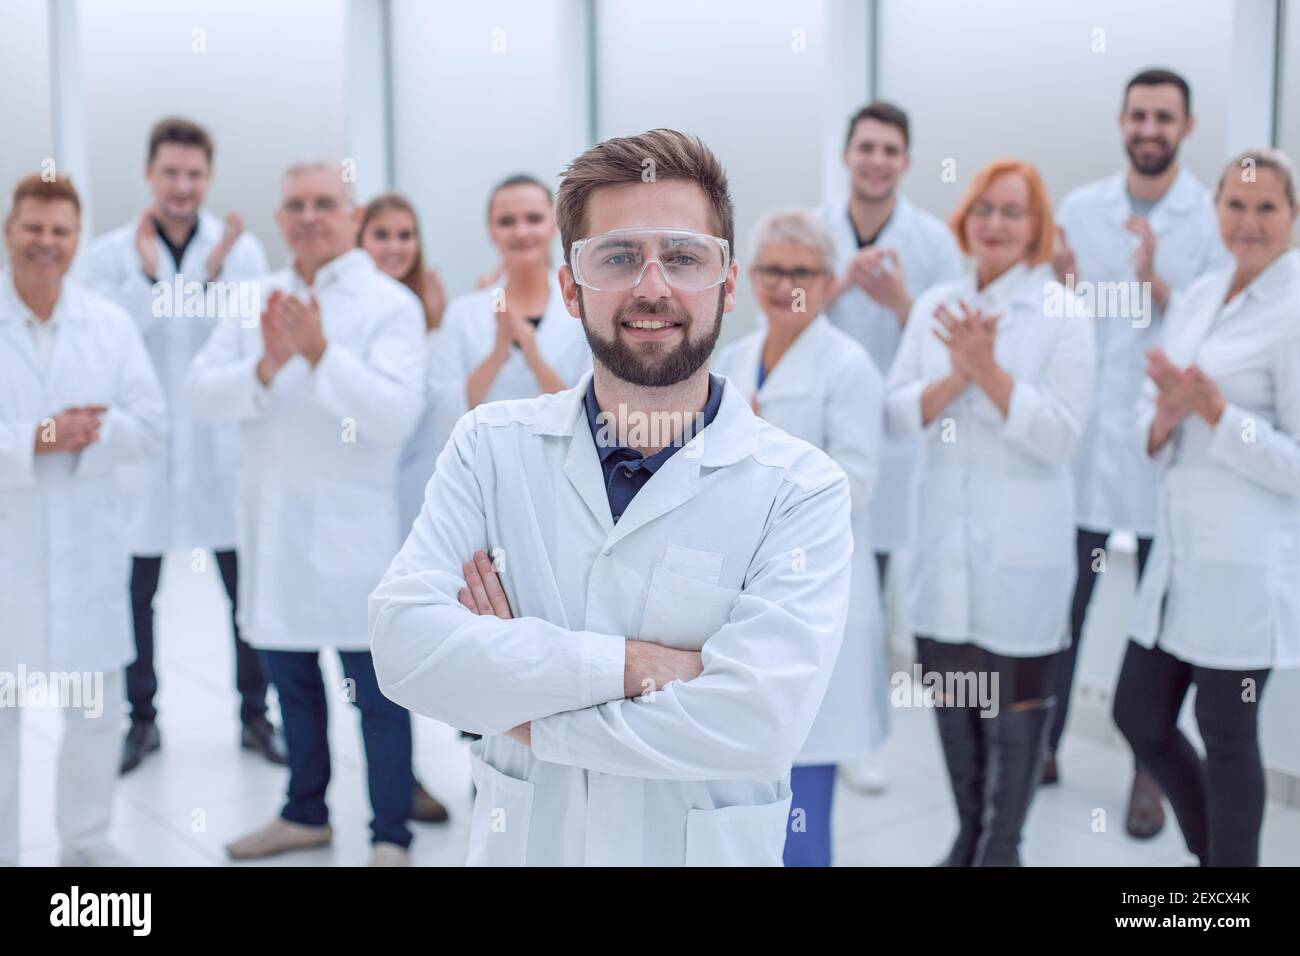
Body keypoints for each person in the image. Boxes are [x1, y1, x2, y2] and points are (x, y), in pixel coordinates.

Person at [369, 129, 853, 867]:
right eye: (619, 257)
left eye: (685, 257)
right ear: (571, 287)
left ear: (727, 284)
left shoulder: (801, 489)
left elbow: (758, 722)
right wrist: (639, 666)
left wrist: (522, 706)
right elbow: (404, 647)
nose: (652, 287)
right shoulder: (488, 447)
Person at [186, 161, 426, 866]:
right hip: (273, 531)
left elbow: (392, 416)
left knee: (376, 696)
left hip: (355, 539)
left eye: (325, 202)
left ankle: (390, 836)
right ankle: (305, 812)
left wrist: (320, 356)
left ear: (352, 216)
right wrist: (265, 366)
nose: (310, 215)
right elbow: (201, 396)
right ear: (280, 218)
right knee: (290, 680)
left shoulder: (390, 305)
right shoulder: (251, 300)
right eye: (296, 205)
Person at [886, 160, 1095, 866]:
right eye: (985, 210)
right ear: (965, 220)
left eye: (1014, 211)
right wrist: (958, 373)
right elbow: (893, 415)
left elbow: (1062, 437)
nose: (997, 224)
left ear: (1036, 227)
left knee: (1015, 707)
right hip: (942, 547)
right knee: (953, 701)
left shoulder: (1064, 313)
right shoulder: (934, 305)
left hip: (1023, 555)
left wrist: (991, 371)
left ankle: (1003, 844)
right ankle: (968, 832)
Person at [1050, 69, 1231, 837]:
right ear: (1122, 122)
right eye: (1139, 115)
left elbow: (1214, 330)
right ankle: (1045, 748)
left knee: (1156, 618)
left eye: (1165, 117)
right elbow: (1063, 318)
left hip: (1164, 444)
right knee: (1066, 605)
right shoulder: (1080, 210)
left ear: (1186, 126)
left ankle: (1147, 776)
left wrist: (1155, 280)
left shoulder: (1212, 221)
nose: (1150, 128)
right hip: (1087, 440)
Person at [1114, 148, 1300, 867]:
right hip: (1179, 552)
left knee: (1227, 736)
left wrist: (1219, 412)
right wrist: (1164, 418)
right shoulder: (1198, 294)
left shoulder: (1292, 310)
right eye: (1236, 204)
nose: (1248, 221)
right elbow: (1147, 413)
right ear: (1217, 208)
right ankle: (1217, 865)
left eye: (1266, 207)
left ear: (1291, 215)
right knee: (1139, 714)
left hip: (1247, 565)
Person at [80, 117, 282, 775]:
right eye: (170, 172)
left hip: (221, 452)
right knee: (135, 594)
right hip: (144, 455)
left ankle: (255, 715)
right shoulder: (113, 256)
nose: (182, 185)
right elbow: (108, 342)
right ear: (149, 174)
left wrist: (207, 277)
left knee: (242, 591)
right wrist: (153, 282)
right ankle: (143, 721)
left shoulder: (242, 255)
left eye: (194, 174)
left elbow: (240, 338)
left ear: (208, 178)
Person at [0, 173, 166, 865]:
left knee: (96, 712)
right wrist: (36, 438)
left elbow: (151, 425)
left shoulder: (109, 323)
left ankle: (88, 844)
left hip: (89, 549)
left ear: (76, 239)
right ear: (10, 232)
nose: (46, 242)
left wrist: (90, 434)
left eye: (60, 230)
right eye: (34, 227)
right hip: (9, 555)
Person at [712, 208, 886, 867]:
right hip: (741, 598)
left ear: (830, 280)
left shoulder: (850, 368)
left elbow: (857, 489)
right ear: (749, 277)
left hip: (816, 598)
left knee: (803, 792)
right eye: (772, 270)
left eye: (803, 271)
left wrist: (766, 449)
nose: (787, 283)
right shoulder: (731, 359)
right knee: (743, 789)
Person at [820, 102, 962, 791]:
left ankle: (856, 733)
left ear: (905, 163)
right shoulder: (816, 233)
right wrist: (839, 285)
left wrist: (903, 301)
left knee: (872, 593)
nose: (877, 159)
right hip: (822, 441)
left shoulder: (933, 242)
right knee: (824, 590)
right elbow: (779, 321)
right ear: (847, 155)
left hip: (898, 444)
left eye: (890, 150)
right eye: (866, 146)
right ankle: (819, 719)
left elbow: (953, 346)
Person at [356, 191, 451, 825]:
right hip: (360, 510)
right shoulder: (352, 316)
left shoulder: (432, 316)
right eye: (381, 235)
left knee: (437, 646)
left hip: (422, 505)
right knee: (375, 657)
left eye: (405, 236)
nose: (394, 247)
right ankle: (400, 783)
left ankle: (459, 777)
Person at [426, 174, 591, 454]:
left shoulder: (585, 308)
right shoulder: (463, 314)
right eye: (506, 221)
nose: (521, 231)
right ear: (491, 231)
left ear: (555, 225)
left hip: (563, 466)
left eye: (534, 218)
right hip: (484, 468)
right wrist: (498, 352)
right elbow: (443, 417)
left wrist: (534, 356)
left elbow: (589, 414)